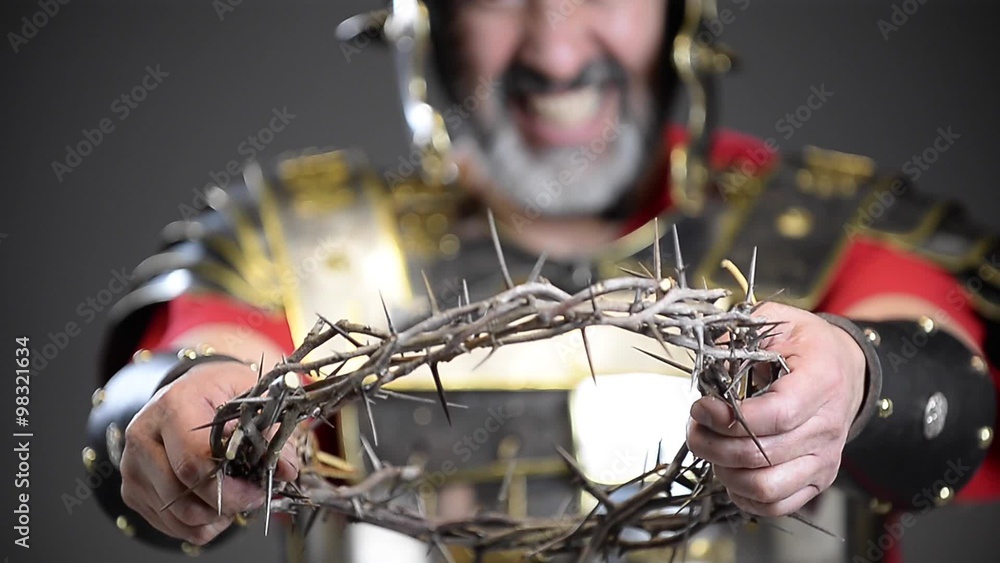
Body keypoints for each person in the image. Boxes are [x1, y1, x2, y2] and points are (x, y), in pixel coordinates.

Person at [83, 1, 999, 561]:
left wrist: (858, 375)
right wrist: (197, 414)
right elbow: (186, 368)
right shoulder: (300, 234)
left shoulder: (825, 224)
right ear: (431, 18)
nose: (557, 52)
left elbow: (953, 389)